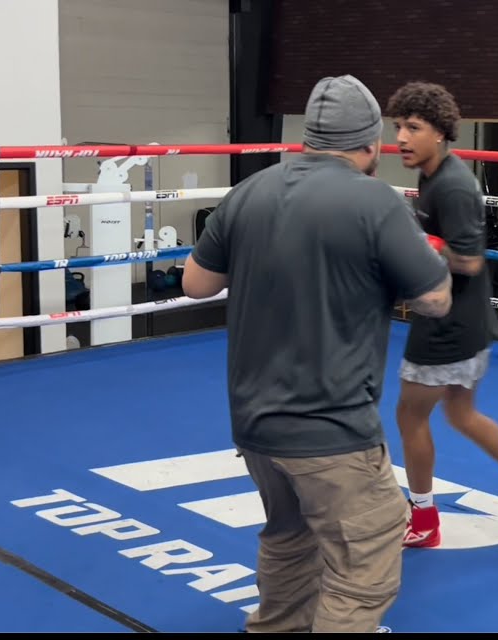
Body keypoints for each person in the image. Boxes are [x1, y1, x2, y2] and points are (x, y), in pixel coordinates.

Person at [181, 75, 455, 633]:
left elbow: (195, 284)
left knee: (289, 539)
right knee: (368, 559)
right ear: (369, 143)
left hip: (256, 424)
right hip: (330, 427)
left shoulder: (248, 192)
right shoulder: (376, 202)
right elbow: (434, 299)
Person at [386, 80, 498, 551]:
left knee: (410, 417)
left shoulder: (451, 186)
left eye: (414, 127)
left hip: (449, 320)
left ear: (441, 132)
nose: (402, 137)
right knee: (462, 413)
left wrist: (419, 246)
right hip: (462, 315)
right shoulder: (434, 175)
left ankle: (424, 518)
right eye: (398, 127)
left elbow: (469, 259)